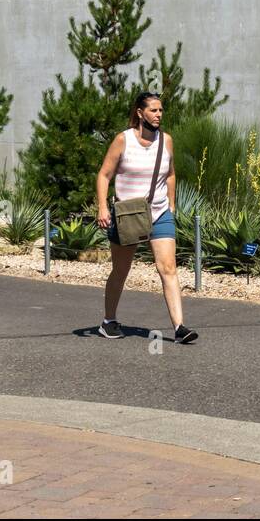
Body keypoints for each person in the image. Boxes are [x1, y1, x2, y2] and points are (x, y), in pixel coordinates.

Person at [95, 92, 198, 343]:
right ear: (140, 113)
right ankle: (109, 320)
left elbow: (171, 173)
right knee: (121, 270)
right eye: (153, 110)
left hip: (159, 213)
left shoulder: (167, 141)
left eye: (161, 110)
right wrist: (102, 207)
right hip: (128, 215)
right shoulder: (123, 140)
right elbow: (104, 175)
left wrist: (171, 205)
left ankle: (179, 327)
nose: (158, 115)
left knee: (168, 268)